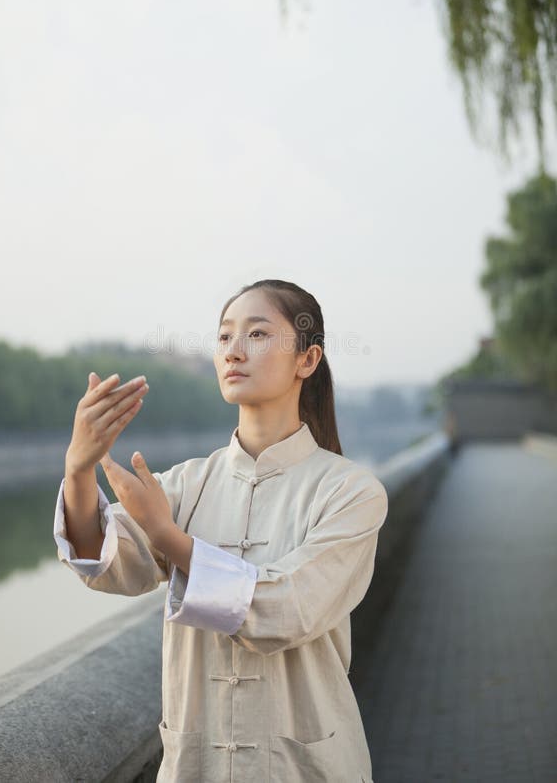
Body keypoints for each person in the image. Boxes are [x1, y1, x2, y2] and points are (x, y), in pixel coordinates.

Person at [53, 279, 389, 783]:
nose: (234, 350)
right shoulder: (185, 483)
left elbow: (285, 610)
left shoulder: (350, 492)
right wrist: (78, 470)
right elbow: (108, 565)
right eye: (224, 336)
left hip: (305, 770)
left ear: (307, 360)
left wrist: (168, 537)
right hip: (196, 766)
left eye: (256, 335)